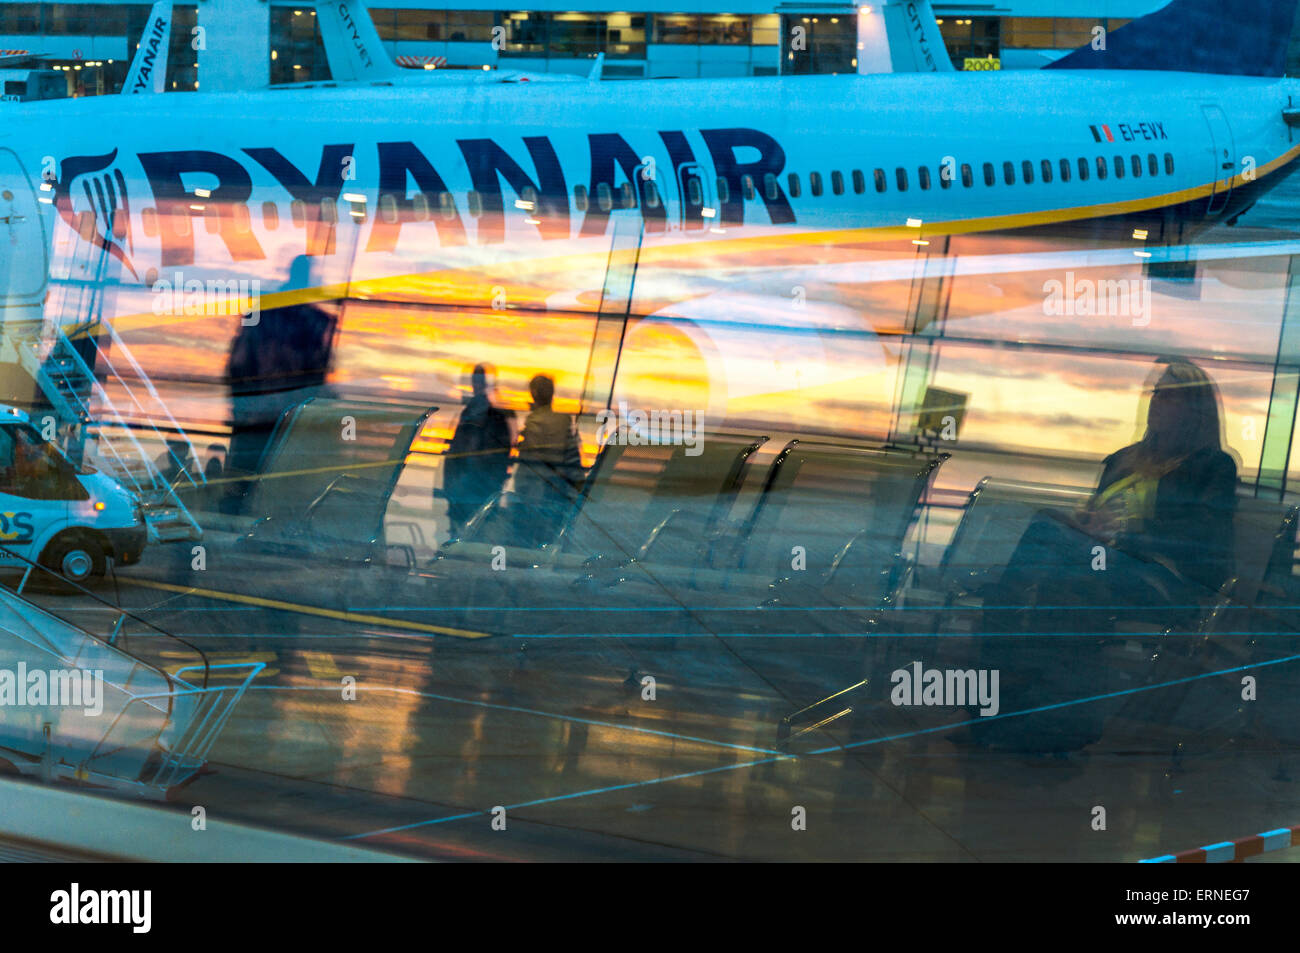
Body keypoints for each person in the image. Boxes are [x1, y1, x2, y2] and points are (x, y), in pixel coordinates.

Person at [984, 359, 1238, 636]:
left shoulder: (1212, 466)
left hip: (1158, 571)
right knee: (1045, 526)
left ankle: (1027, 662)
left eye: (1170, 395)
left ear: (1193, 410)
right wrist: (1088, 519)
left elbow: (1205, 537)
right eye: (1156, 393)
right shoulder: (1124, 459)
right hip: (1103, 557)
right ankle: (1005, 646)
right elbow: (1099, 513)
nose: (1157, 401)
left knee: (1069, 581)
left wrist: (1127, 529)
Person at [511, 374, 584, 547]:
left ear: (534, 394)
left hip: (536, 496)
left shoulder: (535, 421)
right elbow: (573, 461)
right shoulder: (564, 421)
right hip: (558, 495)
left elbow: (528, 467)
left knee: (531, 540)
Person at [441, 364, 513, 538]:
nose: (476, 386)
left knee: (468, 534)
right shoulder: (482, 415)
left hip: (471, 488)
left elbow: (463, 453)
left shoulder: (482, 415)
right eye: (475, 381)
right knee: (473, 534)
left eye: (479, 382)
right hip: (472, 488)